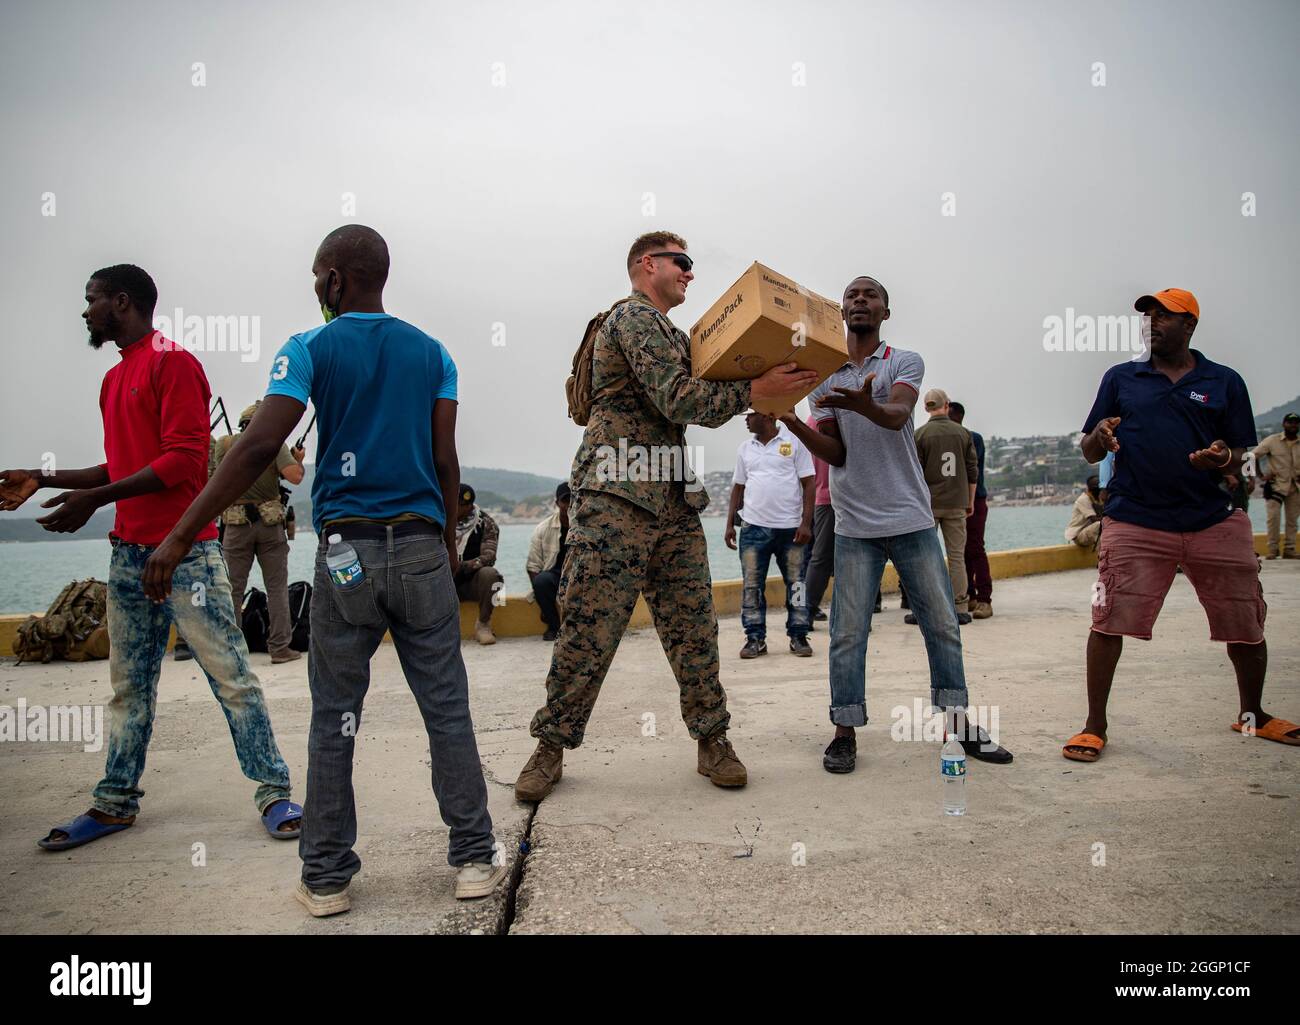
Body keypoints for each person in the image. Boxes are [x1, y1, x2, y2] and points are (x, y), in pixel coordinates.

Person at [139, 226, 505, 915]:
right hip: (424, 547)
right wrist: (451, 547)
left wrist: (182, 531)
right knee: (447, 711)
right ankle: (475, 857)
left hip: (346, 557)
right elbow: (447, 463)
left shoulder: (308, 347)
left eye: (317, 277)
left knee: (335, 715)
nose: (315, 288)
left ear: (336, 279)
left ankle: (329, 875)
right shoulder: (435, 354)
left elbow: (255, 447)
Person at [0, 264, 300, 851]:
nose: (85, 311)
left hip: (186, 555)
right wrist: (43, 477)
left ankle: (274, 793)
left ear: (122, 301)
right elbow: (121, 467)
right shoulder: (114, 380)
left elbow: (184, 464)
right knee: (128, 687)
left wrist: (98, 499)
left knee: (232, 681)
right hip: (128, 556)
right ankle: (114, 803)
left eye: (91, 300)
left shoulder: (174, 363)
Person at [513, 230, 817, 802]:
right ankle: (549, 747)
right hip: (616, 497)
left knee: (693, 628)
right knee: (589, 630)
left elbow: (701, 394)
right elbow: (678, 399)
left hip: (672, 500)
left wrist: (768, 379)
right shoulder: (630, 319)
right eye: (682, 263)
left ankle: (713, 741)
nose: (690, 273)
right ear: (645, 264)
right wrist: (755, 390)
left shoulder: (673, 333)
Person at [780, 276, 1013, 774]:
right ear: (840, 311)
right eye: (852, 296)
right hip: (853, 524)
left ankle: (958, 723)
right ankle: (845, 731)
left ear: (885, 311)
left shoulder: (903, 361)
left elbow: (898, 413)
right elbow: (836, 452)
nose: (860, 301)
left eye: (870, 296)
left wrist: (867, 404)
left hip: (910, 517)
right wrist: (794, 423)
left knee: (942, 625)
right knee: (846, 633)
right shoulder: (822, 376)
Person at [1063, 287, 1298, 763]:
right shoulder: (1121, 378)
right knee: (1108, 621)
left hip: (1212, 518)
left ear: (1190, 325)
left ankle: (1252, 714)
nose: (1151, 323)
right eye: (1147, 316)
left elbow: (1238, 451)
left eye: (1163, 316)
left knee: (1246, 621)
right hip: (1135, 519)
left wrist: (1220, 457)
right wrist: (1100, 435)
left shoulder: (1224, 381)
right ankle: (1094, 726)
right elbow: (1088, 449)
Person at [214, 400, 306, 663]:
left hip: (235, 525)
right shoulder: (273, 444)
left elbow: (218, 476)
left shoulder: (225, 444)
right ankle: (280, 648)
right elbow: (295, 476)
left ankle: (230, 652)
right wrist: (296, 460)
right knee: (276, 588)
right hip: (269, 525)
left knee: (232, 588)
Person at [724, 410, 815, 658]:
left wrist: (806, 523)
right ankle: (754, 638)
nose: (745, 419)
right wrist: (730, 523)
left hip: (791, 529)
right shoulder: (745, 448)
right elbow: (738, 487)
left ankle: (798, 635)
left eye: (749, 415)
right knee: (752, 586)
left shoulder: (794, 442)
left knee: (797, 585)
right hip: (753, 528)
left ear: (766, 416)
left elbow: (809, 483)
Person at [911, 389, 978, 626]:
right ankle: (960, 606)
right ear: (946, 405)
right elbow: (972, 471)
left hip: (928, 505)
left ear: (926, 408)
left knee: (925, 559)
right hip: (957, 503)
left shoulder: (919, 435)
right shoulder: (963, 433)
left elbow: (915, 473)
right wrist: (969, 501)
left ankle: (925, 608)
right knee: (957, 557)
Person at [947, 401, 992, 619]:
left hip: (974, 499)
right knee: (960, 551)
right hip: (955, 500)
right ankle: (970, 594)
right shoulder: (954, 437)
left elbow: (968, 468)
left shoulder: (973, 438)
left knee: (974, 548)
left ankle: (985, 599)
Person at [453, 484, 504, 645]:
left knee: (492, 575)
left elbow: (489, 557)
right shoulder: (440, 520)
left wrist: (461, 566)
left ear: (468, 506)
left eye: (459, 505)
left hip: (471, 579)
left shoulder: (486, 523)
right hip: (444, 578)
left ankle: (483, 625)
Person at [527, 481, 572, 640]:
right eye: (565, 501)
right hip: (555, 574)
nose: (569, 505)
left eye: (573, 500)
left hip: (579, 573)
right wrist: (543, 601)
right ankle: (554, 627)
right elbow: (533, 566)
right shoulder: (543, 528)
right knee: (541, 581)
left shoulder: (588, 527)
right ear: (557, 503)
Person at [1253, 412, 1299, 559]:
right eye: (1290, 422)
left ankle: (1289, 549)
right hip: (1275, 487)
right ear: (1284, 424)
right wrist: (1260, 476)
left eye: (1296, 422)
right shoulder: (1272, 441)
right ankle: (1272, 550)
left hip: (1295, 487)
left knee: (1292, 520)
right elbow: (1252, 456)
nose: (1293, 425)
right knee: (1273, 519)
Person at [1065, 475, 1104, 548]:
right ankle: (1102, 554)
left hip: (1091, 532)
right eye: (1096, 488)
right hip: (1079, 536)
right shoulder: (1083, 499)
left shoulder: (1100, 499)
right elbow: (1094, 519)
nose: (1099, 490)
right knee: (1100, 524)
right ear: (1090, 489)